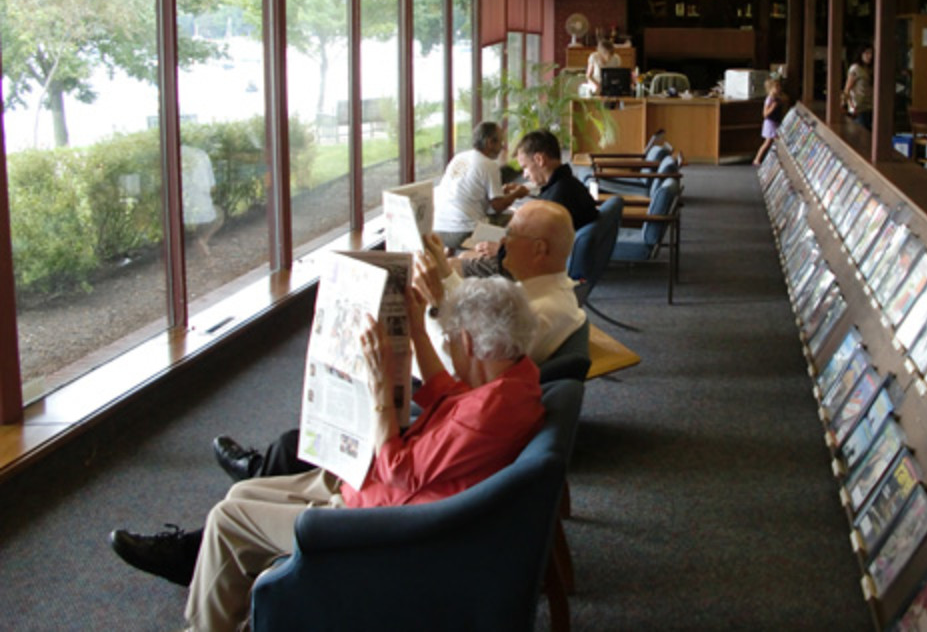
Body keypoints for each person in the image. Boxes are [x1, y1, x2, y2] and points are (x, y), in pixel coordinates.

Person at [109, 275, 545, 632]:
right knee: (240, 497)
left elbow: (398, 471)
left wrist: (378, 389)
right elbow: (447, 396)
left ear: (468, 343)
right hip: (391, 504)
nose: (448, 349)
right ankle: (240, 613)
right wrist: (415, 327)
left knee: (227, 520)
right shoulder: (515, 381)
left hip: (387, 526)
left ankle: (206, 627)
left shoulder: (489, 409)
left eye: (450, 340)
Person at [207, 202, 586, 482]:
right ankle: (262, 475)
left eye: (512, 235)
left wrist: (437, 307)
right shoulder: (540, 298)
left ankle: (260, 473)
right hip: (457, 406)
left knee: (312, 435)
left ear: (539, 249)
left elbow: (464, 366)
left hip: (452, 418)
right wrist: (435, 298)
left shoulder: (544, 313)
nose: (502, 243)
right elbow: (475, 350)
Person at [459, 128, 597, 278]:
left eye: (525, 167)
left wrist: (500, 248)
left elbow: (534, 249)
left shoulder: (554, 203)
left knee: (460, 260)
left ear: (539, 160)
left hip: (537, 270)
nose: (524, 175)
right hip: (555, 260)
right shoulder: (570, 185)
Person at [433, 121, 528, 249]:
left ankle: (450, 251)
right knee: (517, 218)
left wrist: (502, 192)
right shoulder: (488, 165)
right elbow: (497, 206)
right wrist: (517, 194)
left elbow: (470, 193)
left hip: (439, 230)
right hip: (465, 232)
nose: (502, 147)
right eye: (500, 142)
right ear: (490, 142)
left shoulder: (459, 158)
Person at [753, 77, 789, 166]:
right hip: (770, 123)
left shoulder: (776, 98)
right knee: (768, 142)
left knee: (773, 141)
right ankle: (757, 159)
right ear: (770, 89)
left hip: (775, 121)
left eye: (779, 87)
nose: (779, 89)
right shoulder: (770, 100)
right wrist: (772, 107)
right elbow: (765, 114)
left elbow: (786, 99)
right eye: (776, 87)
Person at [842, 46, 874, 130]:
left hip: (869, 107)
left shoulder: (869, 69)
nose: (869, 56)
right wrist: (850, 105)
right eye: (867, 53)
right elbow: (847, 89)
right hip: (859, 108)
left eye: (871, 53)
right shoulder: (855, 69)